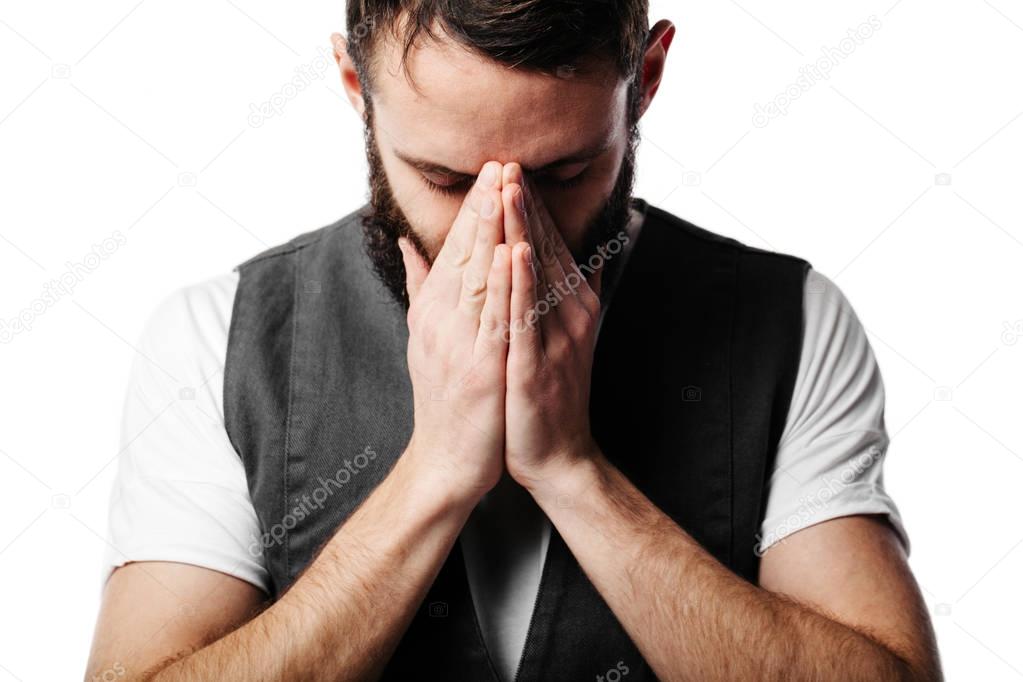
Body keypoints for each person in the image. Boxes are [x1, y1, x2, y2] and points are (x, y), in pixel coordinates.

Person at [86, 2, 941, 679]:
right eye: (444, 179)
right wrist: (435, 474)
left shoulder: (786, 321)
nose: (504, 235)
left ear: (642, 80)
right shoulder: (214, 336)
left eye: (565, 173)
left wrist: (574, 476)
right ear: (355, 84)